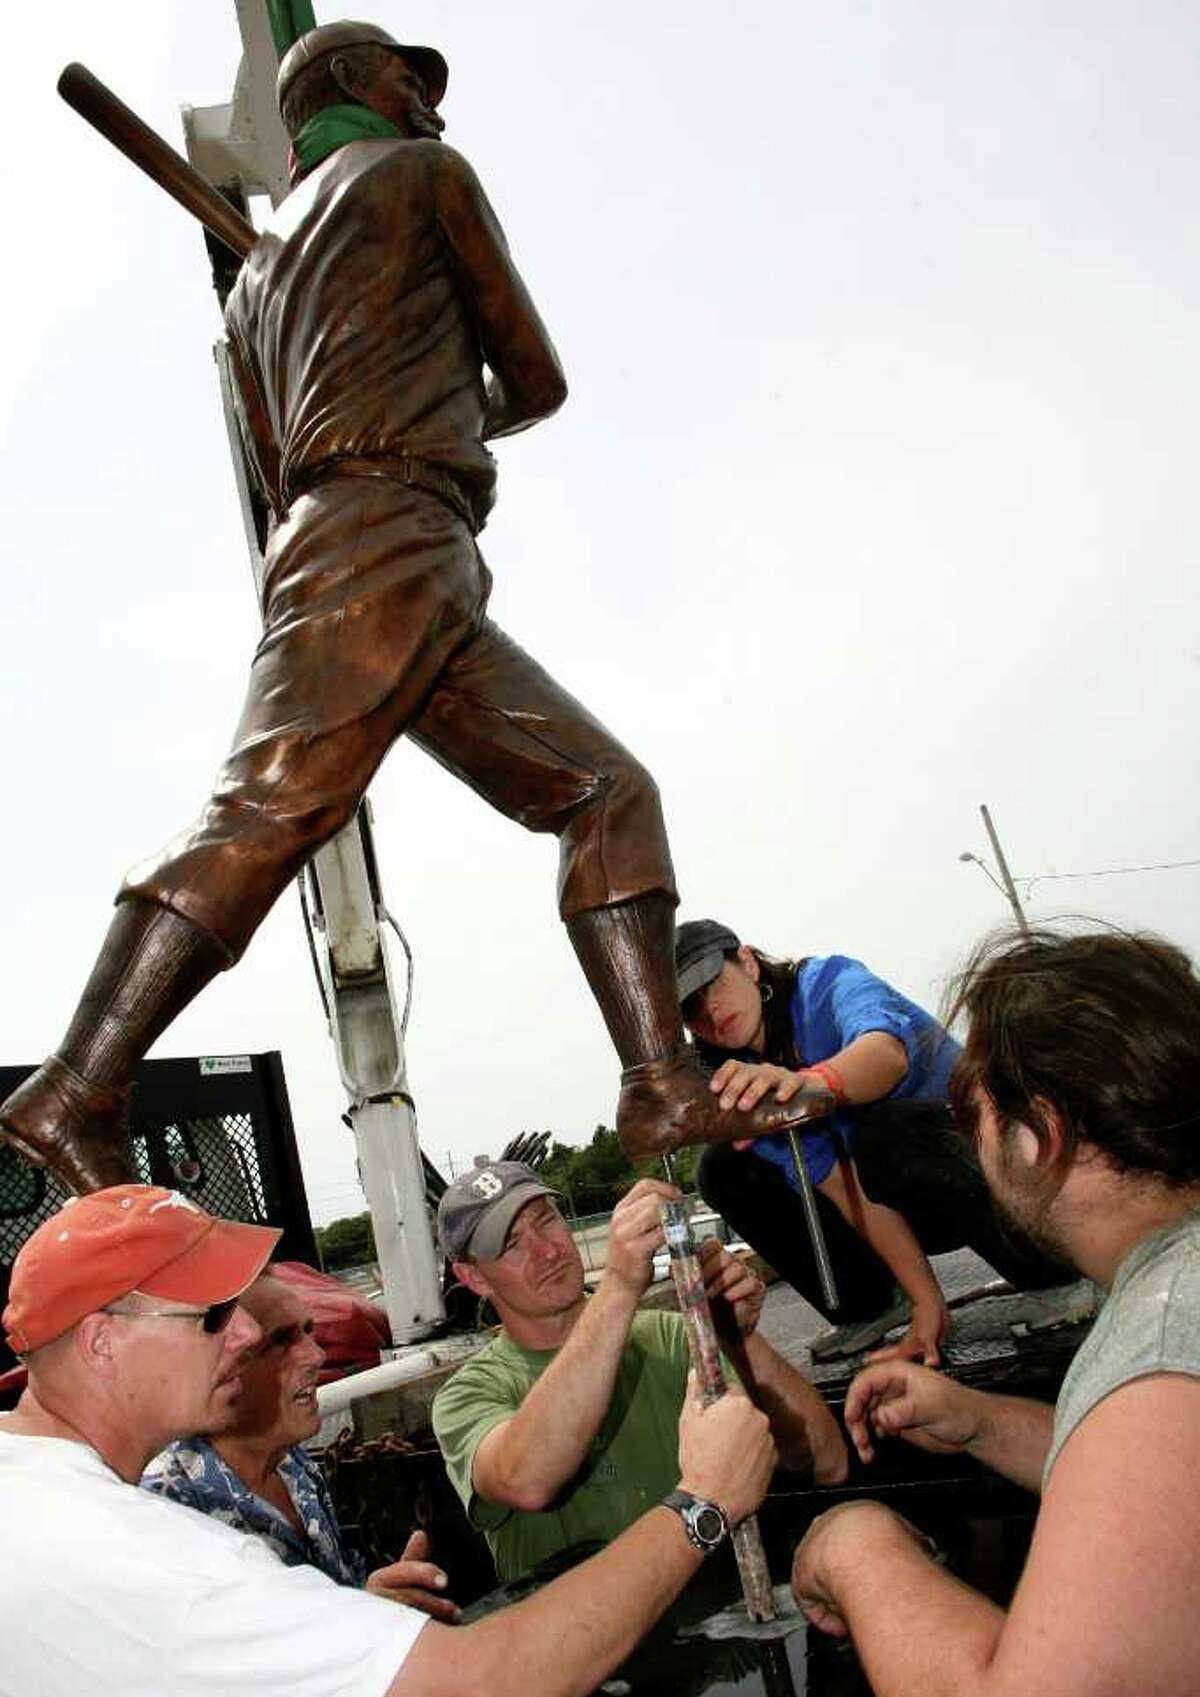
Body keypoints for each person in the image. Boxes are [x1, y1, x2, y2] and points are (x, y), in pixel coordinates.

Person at [0, 25, 819, 1198]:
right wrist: (438, 403)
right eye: (405, 77)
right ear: (344, 85)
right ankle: (78, 1084)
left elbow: (277, 455)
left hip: (371, 544)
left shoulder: (251, 298)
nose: (427, 100)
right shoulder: (423, 176)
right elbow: (534, 380)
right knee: (269, 804)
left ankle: (658, 1075)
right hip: (385, 530)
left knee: (604, 790)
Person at [0, 1183, 773, 1697]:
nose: (243, 1336)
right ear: (102, 1342)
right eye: (209, 1318)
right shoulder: (159, 1569)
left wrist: (340, 1619)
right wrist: (701, 1504)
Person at [790, 927, 1200, 1697]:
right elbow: (1150, 1484)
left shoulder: (1165, 1336)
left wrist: (855, 1548)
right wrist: (980, 1421)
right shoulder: (1172, 1291)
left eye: (970, 1109)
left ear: (1036, 1135)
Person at [432, 1159, 847, 1582]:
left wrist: (734, 1339)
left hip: (726, 1633)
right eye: (511, 1244)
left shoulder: (668, 1337)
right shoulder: (467, 1395)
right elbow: (525, 1479)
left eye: (547, 1221)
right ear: (474, 1277)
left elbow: (825, 1460)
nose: (547, 1250)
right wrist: (620, 1282)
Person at [675, 918, 1070, 1362]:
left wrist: (808, 1085)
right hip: (897, 1203)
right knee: (722, 1168)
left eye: (712, 983)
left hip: (993, 1167)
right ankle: (872, 1305)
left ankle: (1052, 1272)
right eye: (690, 1007)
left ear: (746, 962)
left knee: (883, 1131)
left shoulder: (829, 983)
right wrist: (927, 1302)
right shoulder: (743, 1082)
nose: (709, 1009)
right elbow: (844, 1185)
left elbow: (887, 1055)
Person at [143, 1268, 457, 1614]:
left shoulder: (293, 1465)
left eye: (308, 1332)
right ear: (222, 1364)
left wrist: (369, 1599)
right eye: (281, 1340)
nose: (316, 1356)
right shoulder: (167, 1508)